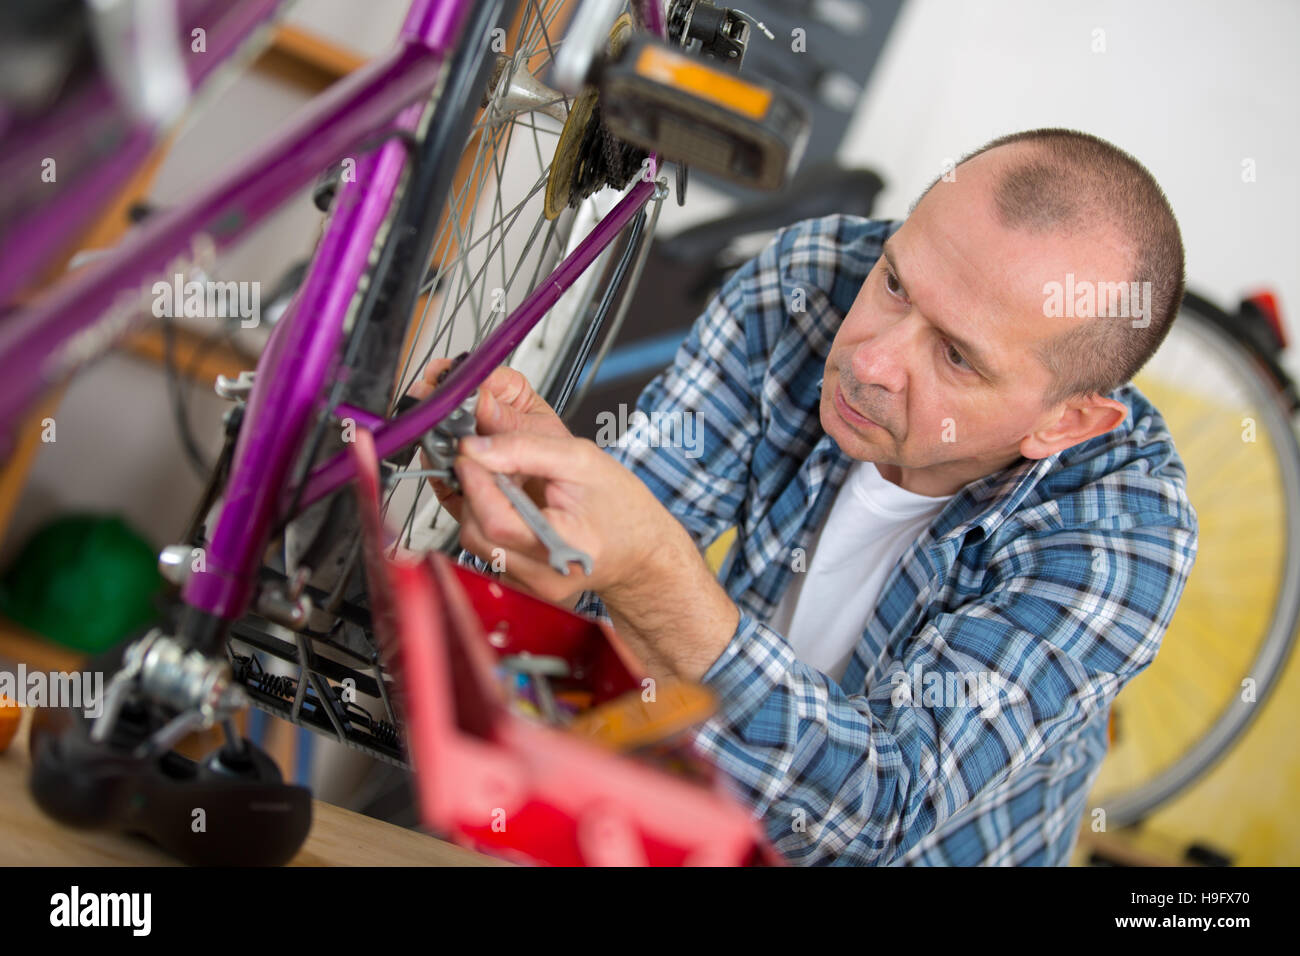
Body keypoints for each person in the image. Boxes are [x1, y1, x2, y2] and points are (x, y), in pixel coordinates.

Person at [410, 128, 1199, 865]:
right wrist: (546, 510)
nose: (872, 361)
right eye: (895, 283)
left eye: (957, 357)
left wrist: (646, 570)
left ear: (1067, 421)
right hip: (703, 790)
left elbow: (883, 807)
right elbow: (600, 564)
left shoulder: (1122, 534)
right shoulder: (810, 282)